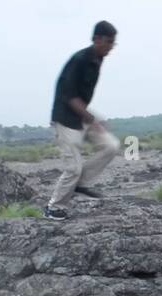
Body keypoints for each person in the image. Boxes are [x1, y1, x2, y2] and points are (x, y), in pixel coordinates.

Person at [44, 21, 120, 221]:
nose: (111, 47)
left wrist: (92, 119)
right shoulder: (79, 60)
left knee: (111, 145)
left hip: (82, 117)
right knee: (73, 168)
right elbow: (69, 96)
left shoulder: (98, 59)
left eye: (114, 43)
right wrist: (92, 119)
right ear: (97, 39)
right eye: (109, 42)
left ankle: (80, 184)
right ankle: (54, 207)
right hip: (65, 119)